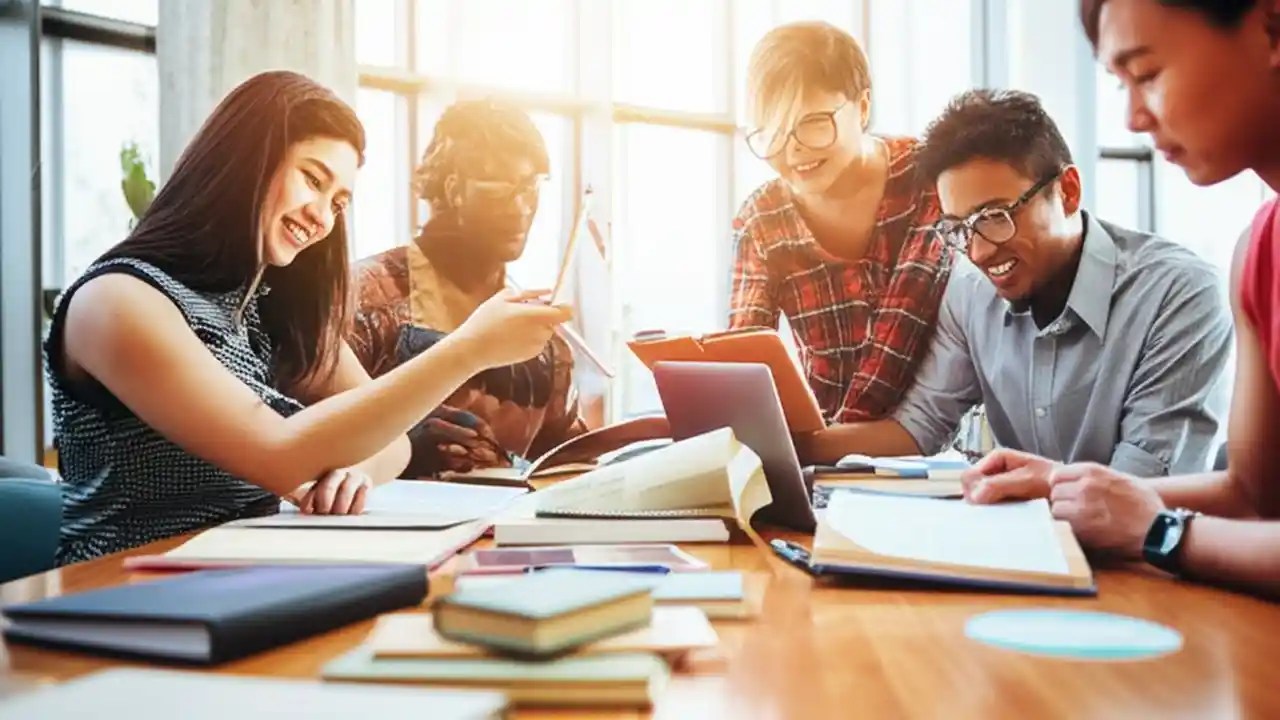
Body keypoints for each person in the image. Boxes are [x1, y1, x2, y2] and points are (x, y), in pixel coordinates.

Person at [45, 72, 570, 565]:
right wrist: (470, 349)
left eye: (339, 202)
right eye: (313, 180)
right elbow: (277, 453)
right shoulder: (117, 302)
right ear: (247, 160)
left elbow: (395, 443)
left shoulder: (270, 310)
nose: (322, 216)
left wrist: (351, 473)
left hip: (249, 571)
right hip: (120, 589)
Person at [964, 0, 1280, 599]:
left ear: (1270, 28)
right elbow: (1252, 497)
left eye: (1149, 74)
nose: (1133, 118)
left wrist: (1163, 533)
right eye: (1120, 83)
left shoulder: (1189, 282)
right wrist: (1063, 486)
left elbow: (1204, 521)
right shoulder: (1258, 251)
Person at [798, 88, 1233, 474]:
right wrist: (783, 448)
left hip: (1142, 560)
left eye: (995, 217)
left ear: (1067, 191)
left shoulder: (1179, 295)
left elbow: (1141, 489)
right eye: (959, 228)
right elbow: (917, 427)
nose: (979, 251)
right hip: (1029, 551)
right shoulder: (969, 291)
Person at [728, 21, 954, 447]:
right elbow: (744, 365)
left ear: (863, 107)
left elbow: (902, 330)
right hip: (823, 454)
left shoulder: (931, 176)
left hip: (937, 448)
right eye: (773, 129)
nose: (793, 148)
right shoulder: (761, 220)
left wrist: (813, 445)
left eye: (814, 122)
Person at [351, 100, 588, 477]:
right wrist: (405, 447)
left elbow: (566, 464)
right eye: (500, 188)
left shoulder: (541, 338)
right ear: (452, 188)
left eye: (531, 187)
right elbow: (307, 427)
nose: (522, 207)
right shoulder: (361, 297)